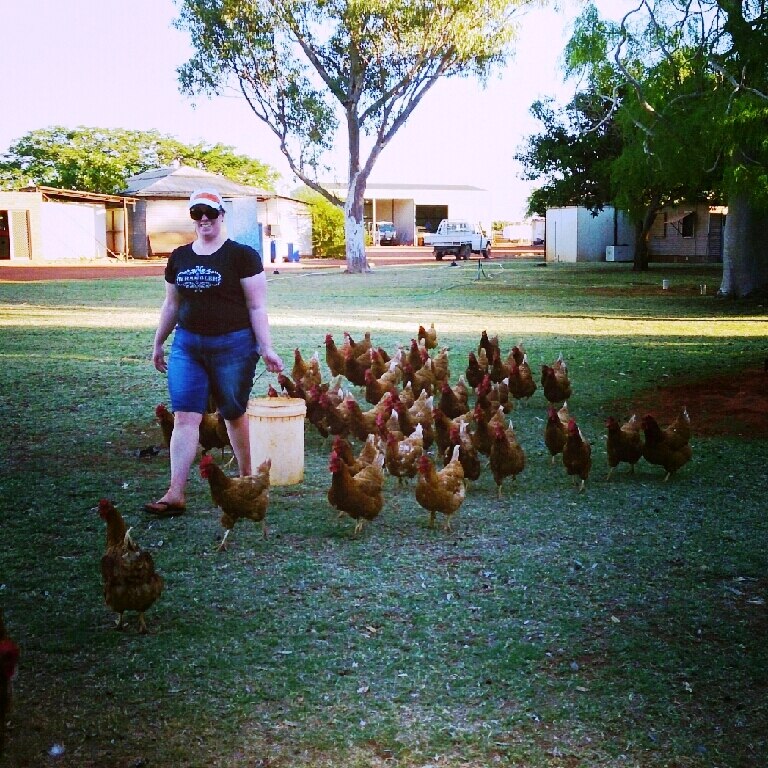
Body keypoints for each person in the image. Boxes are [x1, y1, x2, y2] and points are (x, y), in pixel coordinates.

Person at [145, 188, 284, 516]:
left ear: (222, 215)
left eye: (210, 212)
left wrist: (266, 348)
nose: (204, 219)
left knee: (233, 414)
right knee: (185, 416)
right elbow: (171, 304)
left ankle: (247, 479)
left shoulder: (242, 255)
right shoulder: (179, 256)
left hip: (233, 346)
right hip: (188, 345)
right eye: (197, 213)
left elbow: (257, 305)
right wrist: (158, 342)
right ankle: (175, 492)